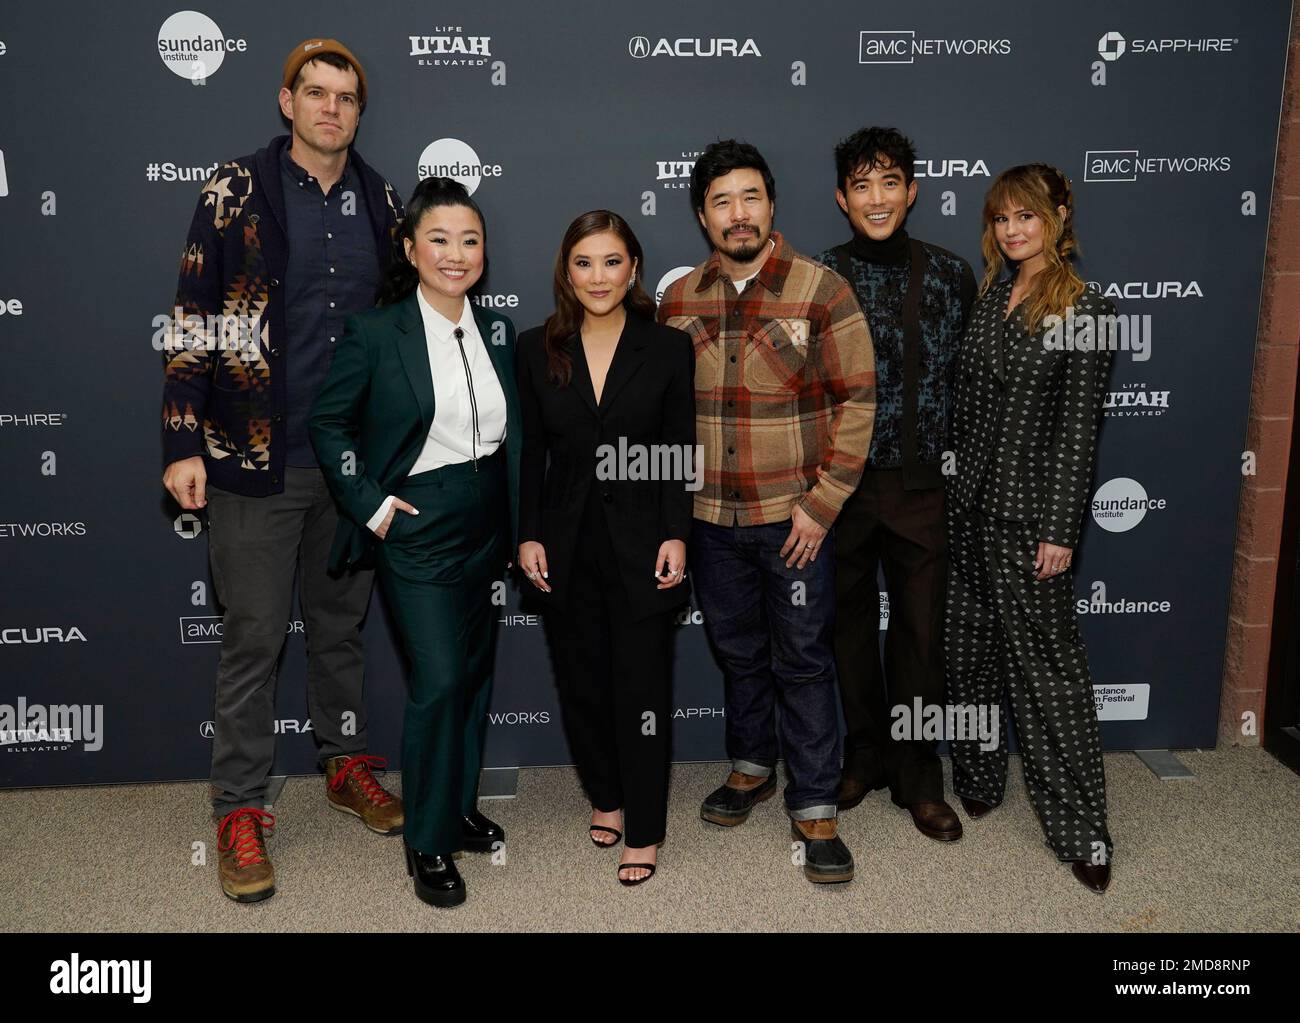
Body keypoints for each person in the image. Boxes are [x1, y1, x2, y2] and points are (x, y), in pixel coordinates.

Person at [160, 38, 405, 904]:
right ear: (286, 101)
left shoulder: (382, 198)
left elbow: (400, 329)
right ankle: (238, 807)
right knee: (254, 637)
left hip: (350, 468)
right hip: (248, 458)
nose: (331, 107)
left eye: (346, 96)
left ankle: (345, 763)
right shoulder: (235, 189)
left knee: (340, 630)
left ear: (357, 112)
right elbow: (192, 315)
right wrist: (181, 441)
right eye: (316, 92)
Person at [657, 139, 877, 885]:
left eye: (750, 197)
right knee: (738, 649)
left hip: (794, 523)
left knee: (804, 655)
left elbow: (859, 403)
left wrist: (822, 506)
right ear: (701, 215)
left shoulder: (822, 290)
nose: (738, 213)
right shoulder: (679, 298)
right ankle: (752, 764)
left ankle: (815, 802)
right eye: (721, 201)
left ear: (772, 205)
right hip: (710, 520)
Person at [310, 177, 521, 909]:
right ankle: (425, 839)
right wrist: (369, 504)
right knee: (435, 683)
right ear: (410, 248)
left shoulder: (494, 329)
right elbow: (328, 425)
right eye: (439, 238)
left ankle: (457, 810)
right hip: (417, 522)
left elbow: (513, 436)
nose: (456, 254)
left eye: (469, 239)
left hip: (486, 518)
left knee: (471, 677)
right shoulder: (377, 332)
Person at [946, 163, 1116, 893]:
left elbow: (1080, 433)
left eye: (1027, 216)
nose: (1013, 230)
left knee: (1049, 678)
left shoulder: (1085, 310)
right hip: (968, 510)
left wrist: (1060, 529)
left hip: (1029, 521)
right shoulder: (991, 295)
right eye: (1002, 218)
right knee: (968, 653)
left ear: (1060, 216)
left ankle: (1082, 829)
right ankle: (980, 775)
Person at [516, 211, 695, 886]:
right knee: (584, 684)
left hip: (645, 542)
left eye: (612, 261)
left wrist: (678, 531)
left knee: (642, 688)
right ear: (567, 270)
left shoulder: (668, 347)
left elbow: (681, 450)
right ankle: (608, 796)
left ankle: (644, 828)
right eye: (584, 262)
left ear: (634, 268)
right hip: (565, 543)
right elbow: (531, 451)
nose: (599, 275)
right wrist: (528, 531)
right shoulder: (536, 348)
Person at [814, 127, 974, 841]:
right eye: (861, 185)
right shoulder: (817, 276)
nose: (876, 198)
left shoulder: (949, 273)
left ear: (912, 190)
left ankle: (918, 774)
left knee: (920, 631)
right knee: (844, 625)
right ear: (841, 197)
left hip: (922, 485)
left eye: (890, 183)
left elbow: (968, 389)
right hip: (838, 485)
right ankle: (864, 755)